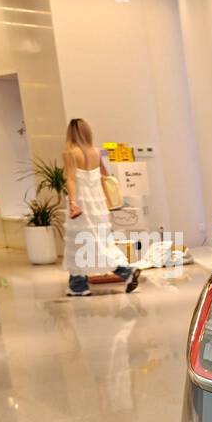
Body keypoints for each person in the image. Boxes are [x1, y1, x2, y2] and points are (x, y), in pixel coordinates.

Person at [61, 118, 140, 296]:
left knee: (80, 243)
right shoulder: (96, 152)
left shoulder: (70, 153)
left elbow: (71, 179)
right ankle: (79, 284)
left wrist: (73, 202)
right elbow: (105, 176)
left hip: (82, 204)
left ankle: (120, 272)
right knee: (101, 241)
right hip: (98, 205)